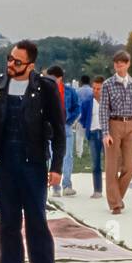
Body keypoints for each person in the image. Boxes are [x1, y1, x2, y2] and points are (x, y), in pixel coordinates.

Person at [0, 39, 64, 263]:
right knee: (8, 222)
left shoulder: (45, 88)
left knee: (36, 220)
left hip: (33, 164)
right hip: (5, 164)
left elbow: (58, 130)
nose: (11, 64)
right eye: (9, 59)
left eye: (17, 61)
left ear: (31, 65)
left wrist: (56, 166)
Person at [100, 50, 132, 214]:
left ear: (128, 64)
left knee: (130, 166)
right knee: (112, 166)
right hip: (114, 124)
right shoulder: (108, 84)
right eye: (116, 63)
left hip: (130, 125)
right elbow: (104, 110)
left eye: (122, 62)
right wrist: (106, 133)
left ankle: (117, 195)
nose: (118, 65)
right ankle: (115, 204)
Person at [47, 65, 79, 196]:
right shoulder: (46, 91)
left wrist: (69, 121)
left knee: (68, 157)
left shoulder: (70, 91)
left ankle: (66, 184)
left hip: (65, 126)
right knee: (52, 156)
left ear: (59, 78)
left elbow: (77, 108)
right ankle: (55, 187)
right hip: (50, 127)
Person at [80, 76, 105, 198]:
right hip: (93, 134)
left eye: (99, 88)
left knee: (111, 163)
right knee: (96, 164)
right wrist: (87, 127)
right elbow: (83, 118)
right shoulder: (87, 102)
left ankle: (114, 190)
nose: (96, 91)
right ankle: (98, 190)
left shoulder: (108, 101)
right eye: (94, 88)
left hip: (106, 134)